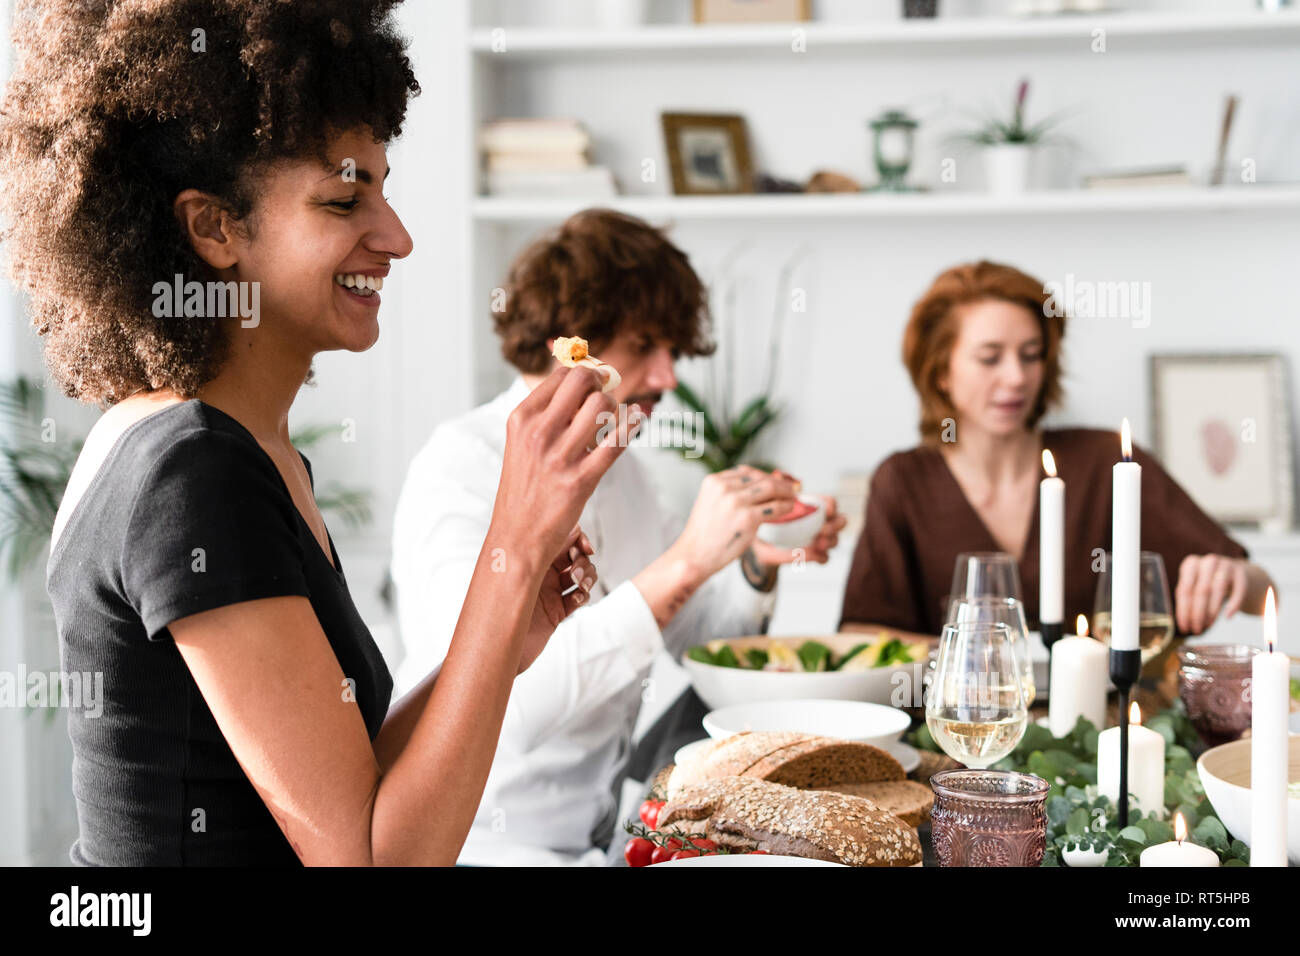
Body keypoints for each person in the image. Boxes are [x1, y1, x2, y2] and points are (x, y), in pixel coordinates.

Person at [3, 0, 632, 866]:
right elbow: (375, 861)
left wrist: (499, 646)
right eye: (344, 199)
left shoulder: (227, 447)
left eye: (382, 188)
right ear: (214, 229)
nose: (398, 237)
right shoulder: (193, 470)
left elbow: (360, 788)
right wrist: (514, 546)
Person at [390, 208, 847, 865]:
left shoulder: (628, 473)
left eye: (674, 350)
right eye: (644, 346)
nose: (668, 377)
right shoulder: (460, 467)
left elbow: (699, 640)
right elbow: (507, 714)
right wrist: (688, 560)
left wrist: (752, 564)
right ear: (569, 344)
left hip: (600, 836)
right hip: (484, 844)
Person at [840, 260, 1275, 665]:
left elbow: (1263, 592)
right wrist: (976, 657)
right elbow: (858, 635)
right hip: (961, 732)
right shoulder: (904, 481)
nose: (1016, 377)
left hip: (1109, 726)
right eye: (990, 358)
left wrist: (1234, 574)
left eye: (1031, 355)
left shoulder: (1107, 461)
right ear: (941, 371)